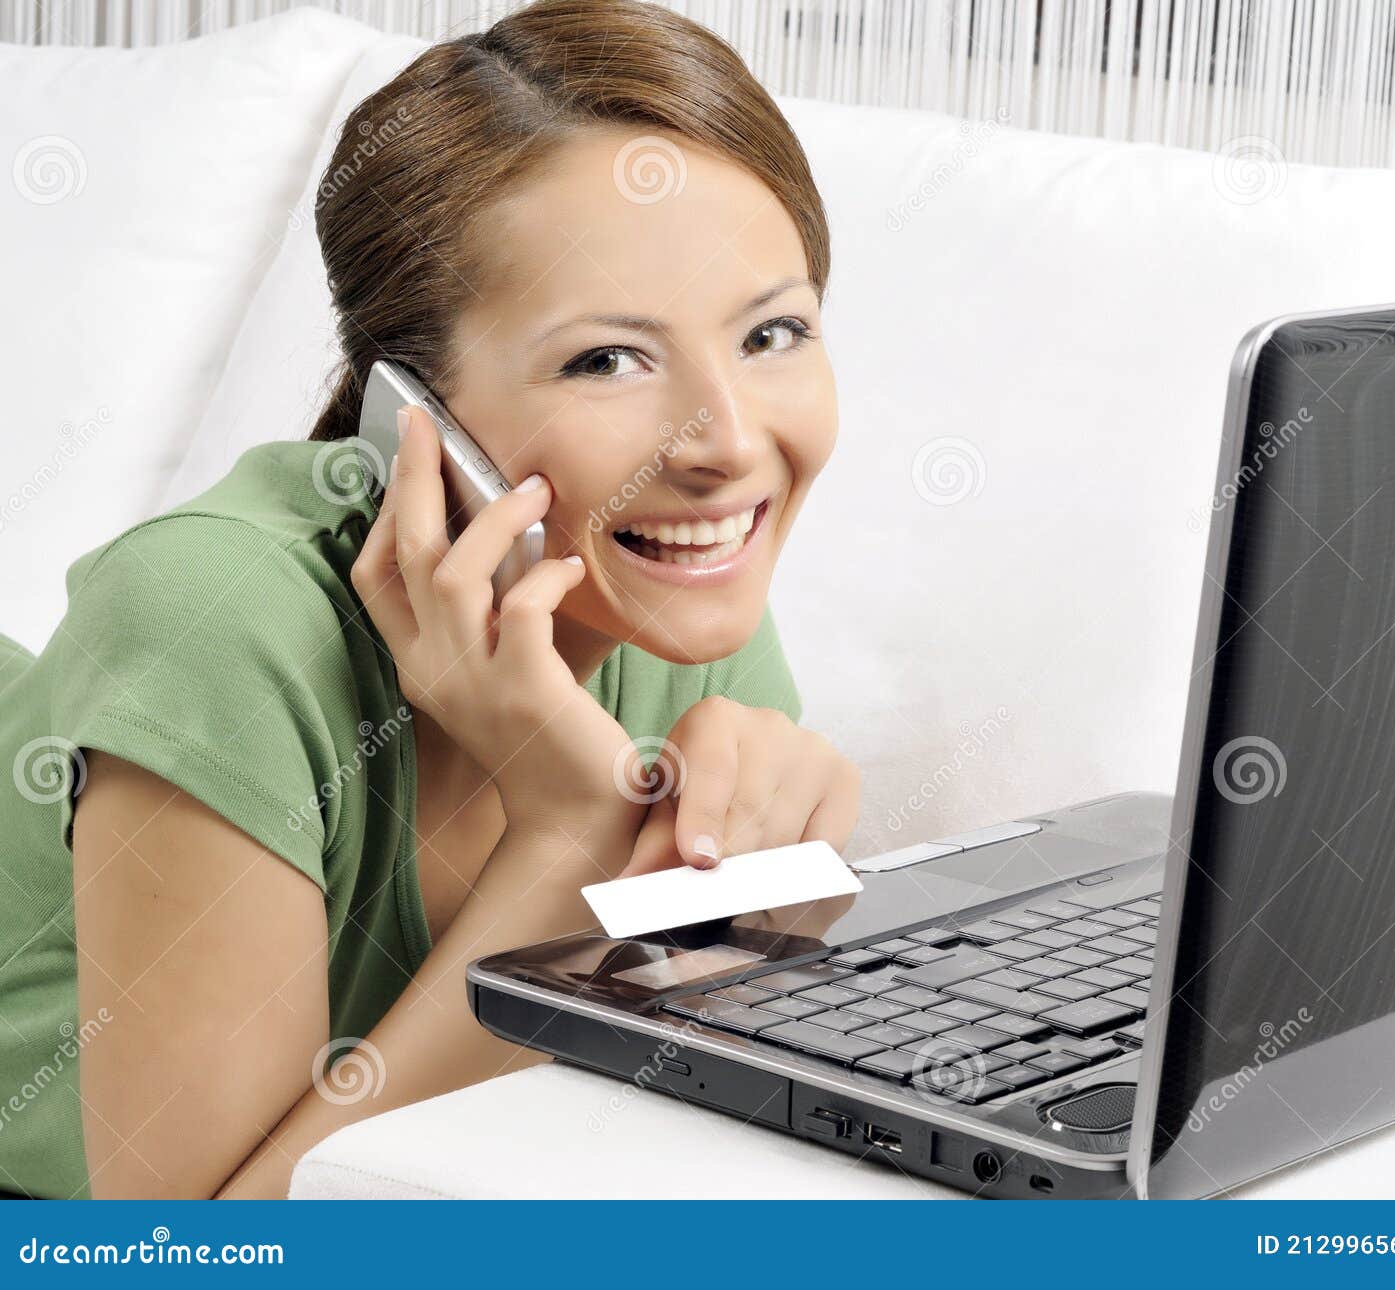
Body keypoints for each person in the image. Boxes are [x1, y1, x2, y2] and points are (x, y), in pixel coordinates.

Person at [0, 0, 858, 1199]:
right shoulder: (214, 624)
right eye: (607, 358)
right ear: (415, 414)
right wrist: (571, 836)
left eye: (774, 331)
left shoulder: (671, 592)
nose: (724, 443)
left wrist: (767, 922)